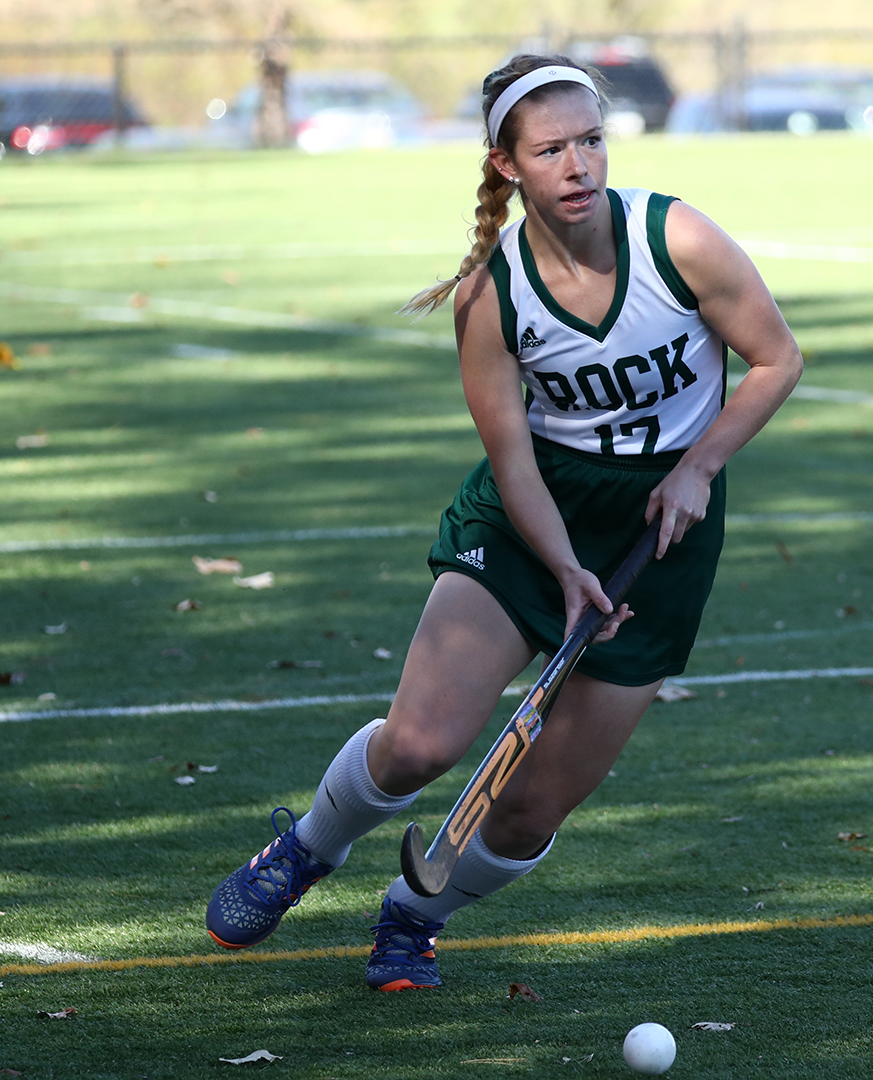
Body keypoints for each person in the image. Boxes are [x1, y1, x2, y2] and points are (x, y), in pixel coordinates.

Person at [204, 55, 802, 987]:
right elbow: (513, 455)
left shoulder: (675, 238)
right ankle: (307, 849)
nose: (579, 166)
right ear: (505, 166)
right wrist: (565, 571)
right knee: (420, 745)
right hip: (535, 518)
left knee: (529, 812)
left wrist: (700, 466)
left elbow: (776, 358)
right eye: (552, 149)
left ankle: (414, 914)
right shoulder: (491, 290)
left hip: (663, 534)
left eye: (592, 141)